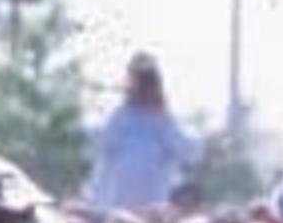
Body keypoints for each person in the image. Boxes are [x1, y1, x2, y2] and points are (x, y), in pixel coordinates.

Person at [82, 52, 203, 214]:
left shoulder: (165, 120)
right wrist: (122, 109)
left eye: (148, 81)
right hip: (112, 210)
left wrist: (163, 116)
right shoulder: (117, 115)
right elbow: (101, 139)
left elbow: (190, 152)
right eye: (138, 80)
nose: (143, 87)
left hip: (154, 213)